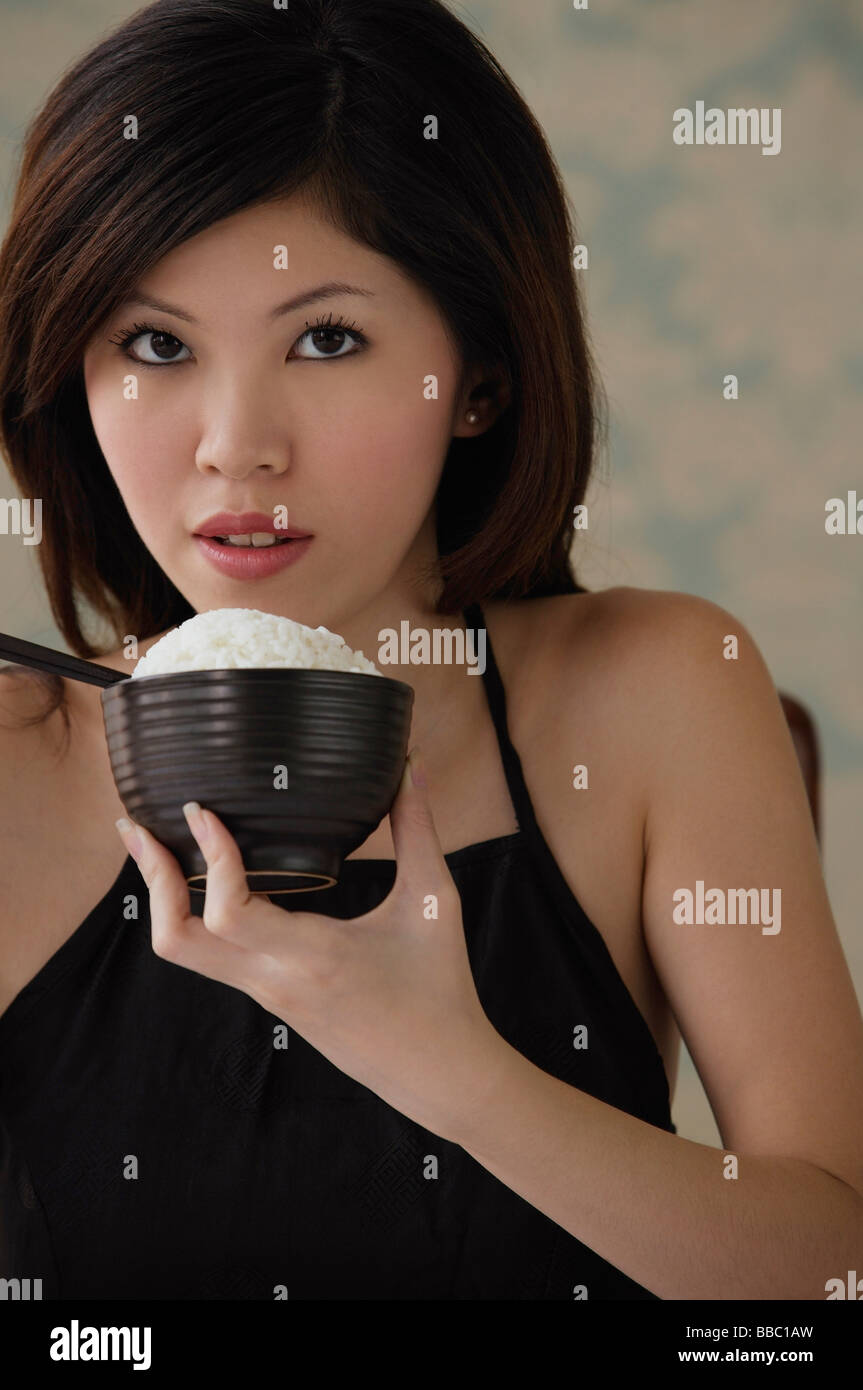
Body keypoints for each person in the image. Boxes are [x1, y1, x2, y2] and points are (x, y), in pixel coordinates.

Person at [0, 0, 860, 1302]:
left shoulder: (655, 692)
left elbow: (833, 1264)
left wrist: (445, 1063)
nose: (238, 444)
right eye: (155, 343)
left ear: (482, 377)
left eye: (328, 338)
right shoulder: (13, 755)